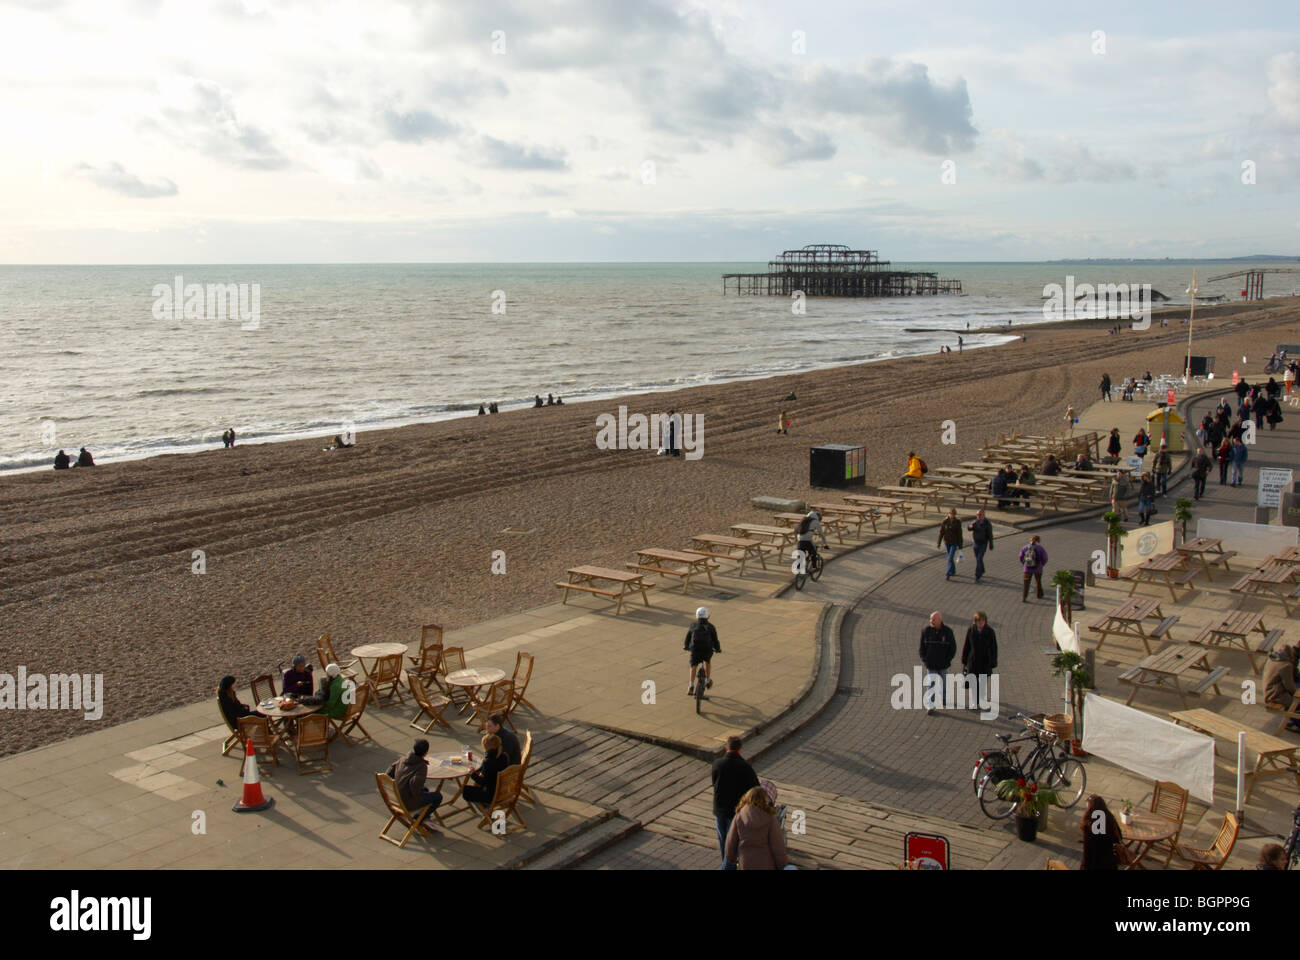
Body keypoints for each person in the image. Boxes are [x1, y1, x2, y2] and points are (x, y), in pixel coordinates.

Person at [712, 736, 759, 869]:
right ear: (740, 749)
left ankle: (725, 864)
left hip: (719, 811)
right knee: (732, 847)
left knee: (723, 843)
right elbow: (755, 790)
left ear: (726, 748)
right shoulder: (745, 767)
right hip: (735, 813)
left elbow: (713, 783)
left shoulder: (717, 764)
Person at [724, 785, 790, 870]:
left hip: (745, 863)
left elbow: (730, 842)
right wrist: (783, 864)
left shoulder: (739, 816)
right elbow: (778, 847)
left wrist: (731, 858)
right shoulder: (770, 819)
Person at [386, 739, 443, 815]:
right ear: (425, 753)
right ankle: (419, 818)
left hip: (395, 798)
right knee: (437, 797)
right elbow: (414, 785)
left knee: (425, 789)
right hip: (407, 803)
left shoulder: (402, 759)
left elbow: (388, 773)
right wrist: (419, 797)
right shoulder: (421, 767)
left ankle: (422, 815)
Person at [918, 611, 956, 714]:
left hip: (943, 664)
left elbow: (952, 648)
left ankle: (944, 697)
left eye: (933, 619)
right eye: (930, 619)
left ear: (940, 620)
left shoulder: (948, 632)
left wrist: (947, 659)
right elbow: (922, 647)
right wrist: (925, 659)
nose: (931, 621)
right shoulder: (926, 631)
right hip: (931, 664)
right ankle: (930, 705)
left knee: (944, 682)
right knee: (931, 684)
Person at [961, 611, 997, 709]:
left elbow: (994, 647)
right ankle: (974, 702)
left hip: (985, 662)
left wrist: (993, 662)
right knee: (973, 682)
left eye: (982, 621)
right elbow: (967, 646)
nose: (980, 623)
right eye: (978, 621)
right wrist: (964, 660)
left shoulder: (990, 632)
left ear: (985, 621)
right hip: (973, 661)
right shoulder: (971, 631)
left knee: (982, 684)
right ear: (975, 622)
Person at [462, 733, 509, 805]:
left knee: (465, 790)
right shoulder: (504, 756)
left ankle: (484, 806)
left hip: (492, 795)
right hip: (503, 790)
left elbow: (482, 783)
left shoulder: (488, 762)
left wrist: (472, 774)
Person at [1080, 795, 1125, 870]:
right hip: (1108, 862)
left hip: (1093, 863)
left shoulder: (1088, 825)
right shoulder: (1110, 818)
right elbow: (1118, 837)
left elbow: (1087, 853)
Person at [684, 606, 721, 695]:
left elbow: (688, 638)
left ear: (697, 616)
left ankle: (691, 685)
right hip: (707, 650)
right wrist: (718, 649)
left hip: (695, 650)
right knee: (707, 662)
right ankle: (708, 680)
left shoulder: (693, 625)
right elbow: (715, 640)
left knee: (693, 665)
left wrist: (686, 646)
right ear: (708, 616)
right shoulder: (711, 627)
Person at [1263, 645, 1299, 728]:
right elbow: (1289, 686)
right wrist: (1296, 694)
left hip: (1269, 690)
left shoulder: (1272, 658)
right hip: (1275, 695)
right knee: (1296, 702)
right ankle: (1293, 721)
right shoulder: (1286, 665)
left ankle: (1291, 719)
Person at [967, 508, 994, 583]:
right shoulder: (976, 522)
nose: (978, 516)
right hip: (976, 543)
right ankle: (982, 570)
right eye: (977, 515)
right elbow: (969, 528)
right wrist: (970, 527)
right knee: (978, 558)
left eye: (979, 514)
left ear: (983, 515)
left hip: (983, 544)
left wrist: (991, 544)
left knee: (979, 558)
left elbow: (990, 535)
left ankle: (977, 576)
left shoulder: (987, 523)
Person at [937, 507, 963, 581]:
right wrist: (938, 543)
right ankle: (953, 570)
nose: (951, 515)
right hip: (947, 542)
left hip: (954, 543)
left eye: (953, 514)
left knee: (950, 558)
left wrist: (960, 545)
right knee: (950, 558)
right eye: (950, 513)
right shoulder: (945, 522)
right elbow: (941, 533)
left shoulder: (957, 522)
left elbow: (959, 534)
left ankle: (948, 573)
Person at [1020, 535, 1046, 602]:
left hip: (1027, 568)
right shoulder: (1040, 548)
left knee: (1026, 583)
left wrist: (1025, 564)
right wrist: (1041, 564)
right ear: (1038, 540)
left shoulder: (1025, 547)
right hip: (1038, 568)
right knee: (1038, 581)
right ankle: (1039, 595)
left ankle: (1024, 597)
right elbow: (1045, 558)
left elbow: (1021, 557)